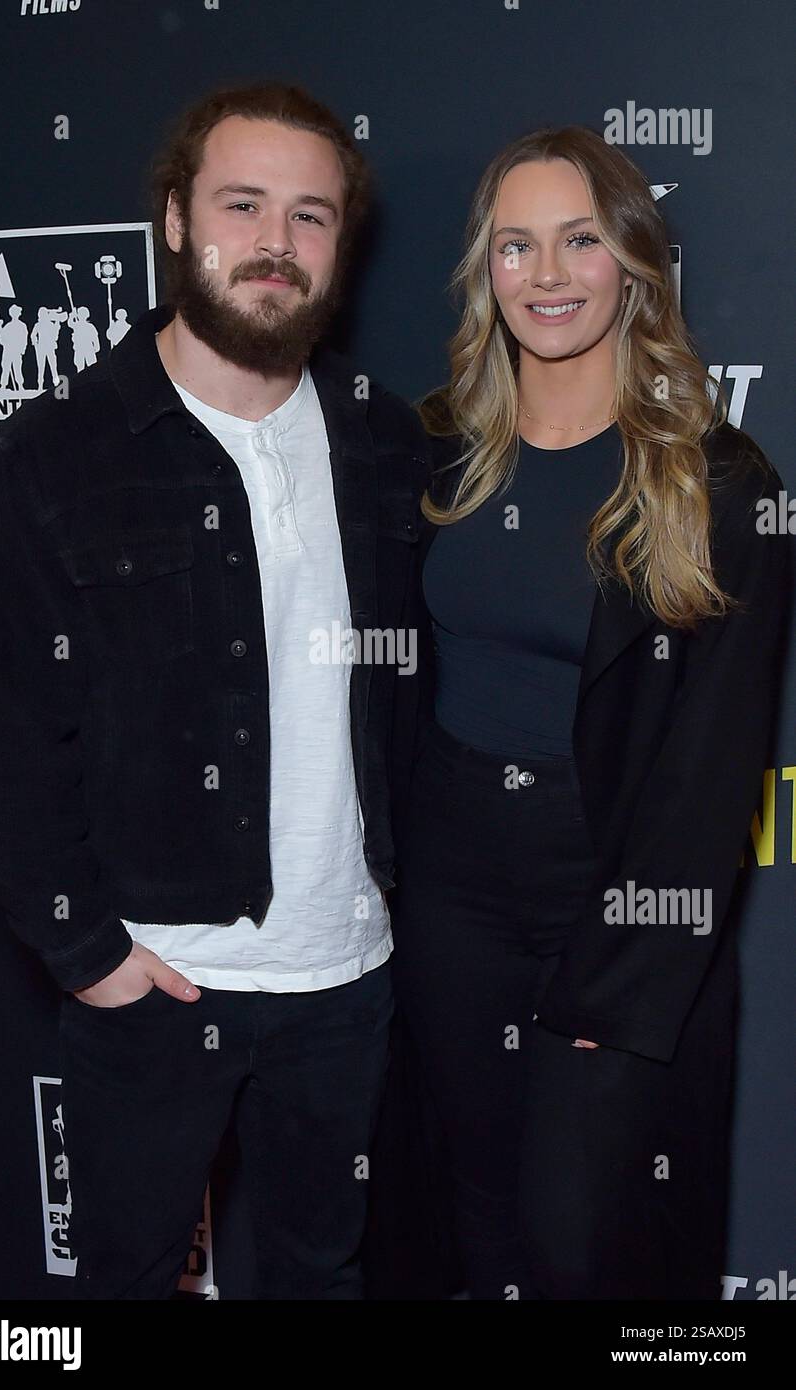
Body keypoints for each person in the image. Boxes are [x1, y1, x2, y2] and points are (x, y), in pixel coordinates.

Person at [0, 81, 430, 1300]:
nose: (276, 243)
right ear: (174, 220)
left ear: (339, 246)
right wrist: (87, 952)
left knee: (319, 1275)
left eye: (311, 216)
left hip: (345, 976)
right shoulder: (51, 453)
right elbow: (7, 744)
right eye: (243, 204)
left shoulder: (388, 442)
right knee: (123, 1280)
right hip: (156, 982)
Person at [384, 125, 790, 1300]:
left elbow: (711, 771)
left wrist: (617, 980)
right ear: (483, 270)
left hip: (609, 894)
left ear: (632, 263)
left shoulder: (717, 484)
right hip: (448, 888)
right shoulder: (433, 451)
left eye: (577, 241)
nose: (545, 275)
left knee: (587, 1239)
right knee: (473, 1222)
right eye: (514, 246)